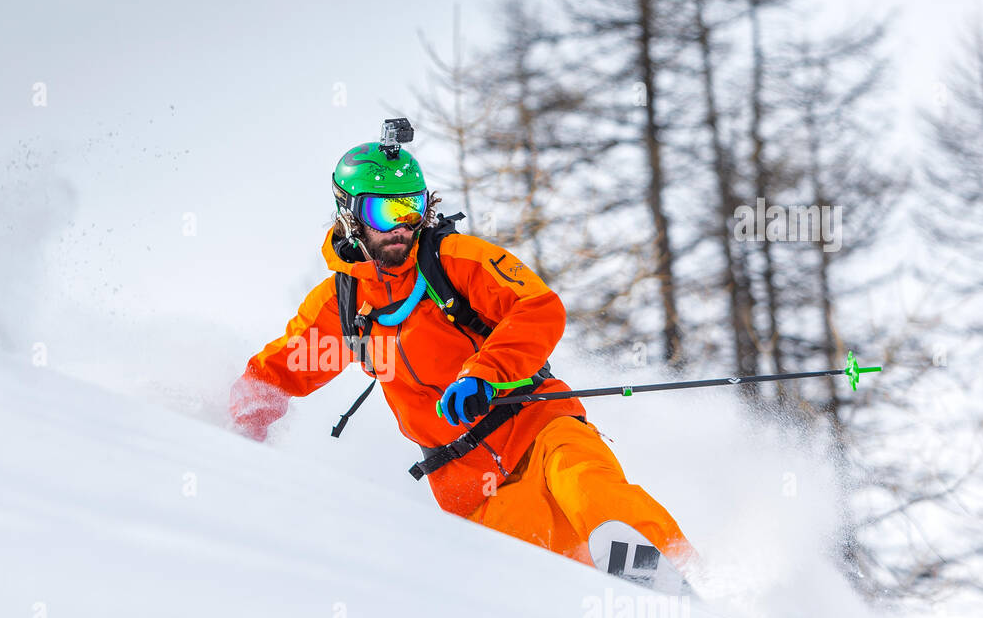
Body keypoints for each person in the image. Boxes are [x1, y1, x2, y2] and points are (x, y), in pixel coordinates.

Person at [229, 134, 696, 578]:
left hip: (539, 430)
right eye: (384, 211)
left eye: (411, 208)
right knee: (555, 575)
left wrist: (485, 374)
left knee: (591, 491)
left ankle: (691, 587)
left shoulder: (454, 260)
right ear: (349, 214)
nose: (402, 226)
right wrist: (235, 424)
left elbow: (537, 307)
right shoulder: (342, 305)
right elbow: (279, 371)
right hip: (470, 490)